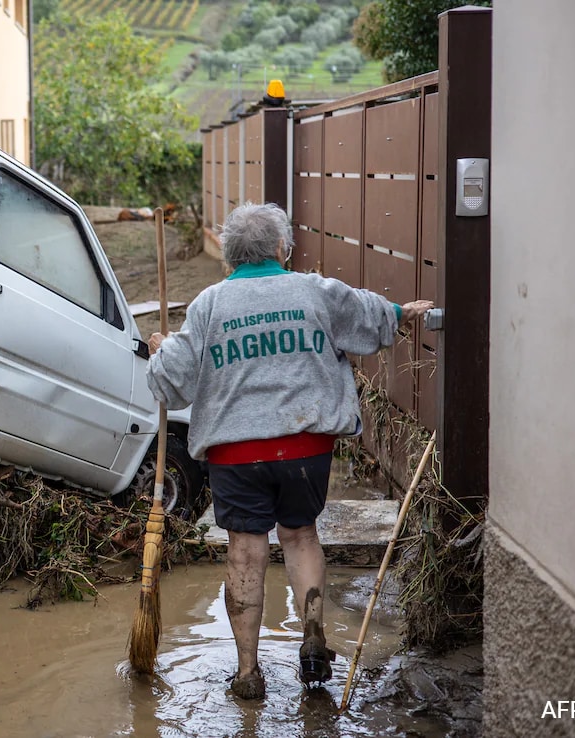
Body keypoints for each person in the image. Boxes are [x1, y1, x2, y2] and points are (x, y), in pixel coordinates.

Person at [146, 202, 433, 700]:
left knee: (246, 549)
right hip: (306, 448)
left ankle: (247, 672)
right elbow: (370, 315)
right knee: (300, 535)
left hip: (236, 455)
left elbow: (171, 383)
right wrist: (402, 313)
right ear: (281, 249)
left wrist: (158, 353)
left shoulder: (209, 305)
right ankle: (313, 636)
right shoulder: (313, 290)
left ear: (229, 257)